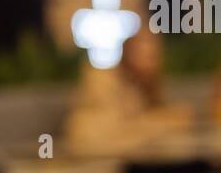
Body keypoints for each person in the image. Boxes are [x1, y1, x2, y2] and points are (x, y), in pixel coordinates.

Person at [63, 27, 191, 156]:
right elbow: (112, 135)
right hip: (90, 160)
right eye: (145, 52)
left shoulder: (141, 85)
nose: (152, 61)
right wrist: (160, 124)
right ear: (128, 51)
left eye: (154, 54)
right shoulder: (103, 81)